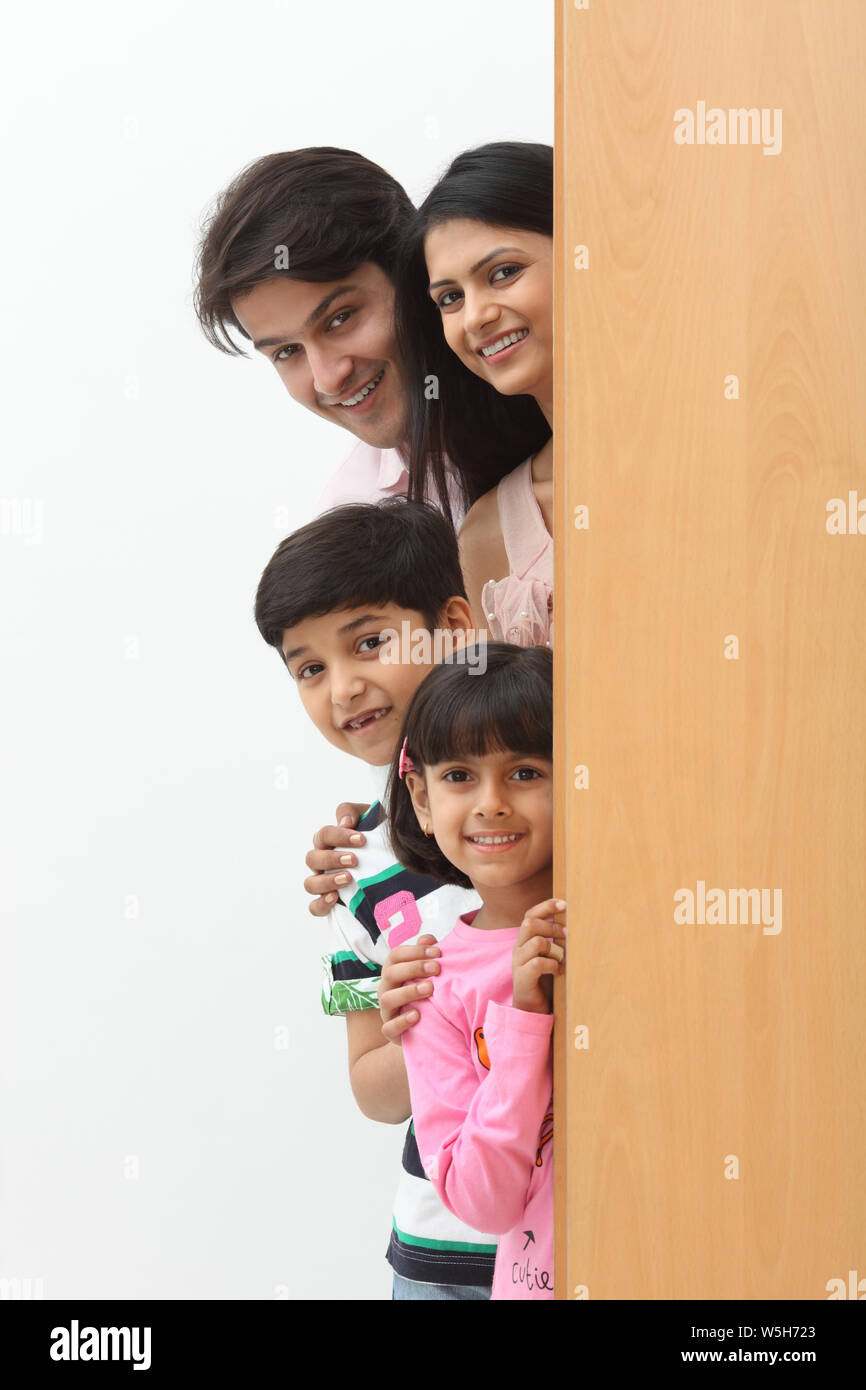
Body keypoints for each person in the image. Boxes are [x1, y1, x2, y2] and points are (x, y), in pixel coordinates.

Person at [253, 497, 502, 1299]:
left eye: (369, 641)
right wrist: (428, 1028)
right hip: (435, 1255)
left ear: (454, 624)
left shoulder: (527, 808)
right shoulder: (348, 874)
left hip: (577, 1225)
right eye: (310, 668)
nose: (345, 687)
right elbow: (371, 1089)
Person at [194, 147, 541, 528]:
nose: (328, 377)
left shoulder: (556, 376)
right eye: (287, 351)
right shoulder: (357, 522)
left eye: (339, 319)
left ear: (415, 277)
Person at [384, 643, 565, 1299]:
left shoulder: (626, 930)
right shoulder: (428, 984)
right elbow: (480, 1202)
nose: (491, 803)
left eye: (524, 772)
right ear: (422, 798)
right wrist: (523, 1018)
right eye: (459, 775)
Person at [396, 142, 554, 646]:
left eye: (504, 272)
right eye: (450, 298)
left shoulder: (727, 436)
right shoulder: (487, 535)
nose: (475, 317)